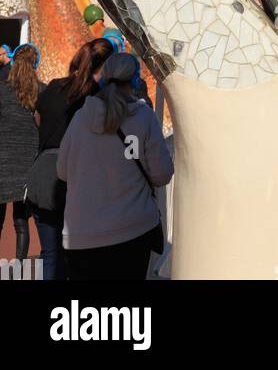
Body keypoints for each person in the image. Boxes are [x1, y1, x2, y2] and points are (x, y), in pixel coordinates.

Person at [58, 51, 173, 280]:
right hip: (132, 230)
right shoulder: (144, 118)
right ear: (135, 80)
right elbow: (162, 174)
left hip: (81, 234)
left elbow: (62, 171)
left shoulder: (81, 118)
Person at [27, 36, 114, 279]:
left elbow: (38, 118)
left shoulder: (54, 86)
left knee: (50, 255)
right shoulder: (97, 98)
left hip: (42, 176)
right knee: (78, 257)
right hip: (78, 179)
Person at [0, 43, 41, 261]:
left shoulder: (1, 90)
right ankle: (18, 269)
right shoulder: (40, 91)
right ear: (35, 64)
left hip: (2, 160)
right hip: (28, 162)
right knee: (21, 221)